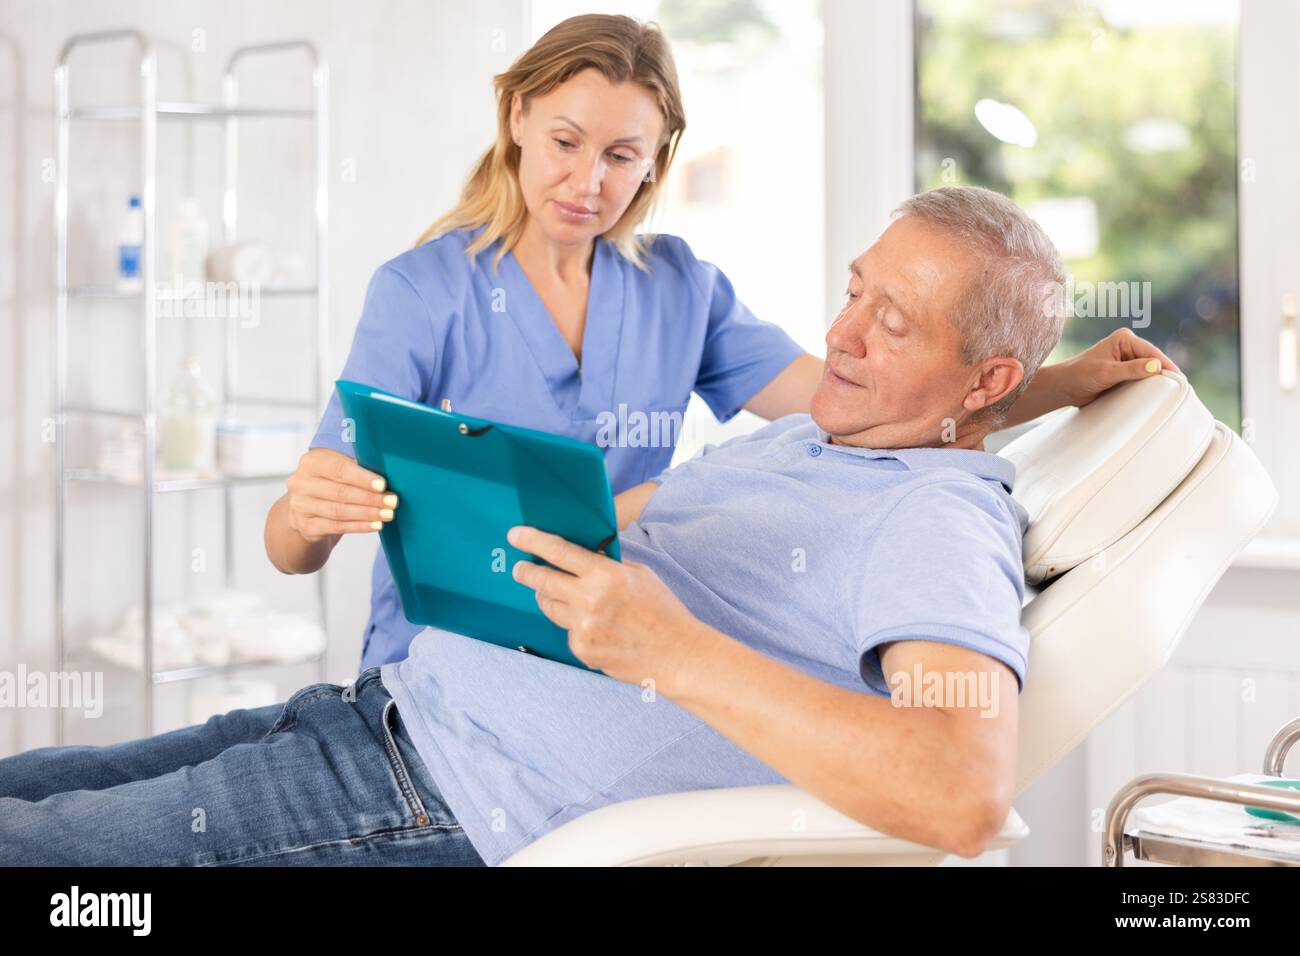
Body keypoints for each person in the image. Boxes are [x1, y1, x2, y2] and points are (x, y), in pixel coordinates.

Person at [1, 186, 1172, 866]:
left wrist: (671, 649)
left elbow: (963, 791)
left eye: (892, 320)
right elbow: (922, 400)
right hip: (382, 710)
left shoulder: (935, 521)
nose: (847, 332)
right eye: (855, 287)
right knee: (21, 788)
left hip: (437, 798)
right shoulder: (822, 434)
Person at [262, 13, 1178, 672]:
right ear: (515, 120)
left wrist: (1060, 383)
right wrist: (307, 517)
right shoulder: (422, 293)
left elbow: (865, 397)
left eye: (623, 156)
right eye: (566, 141)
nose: (588, 182)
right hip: (433, 668)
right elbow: (292, 544)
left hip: (604, 667)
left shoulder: (680, 288)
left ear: (657, 159)